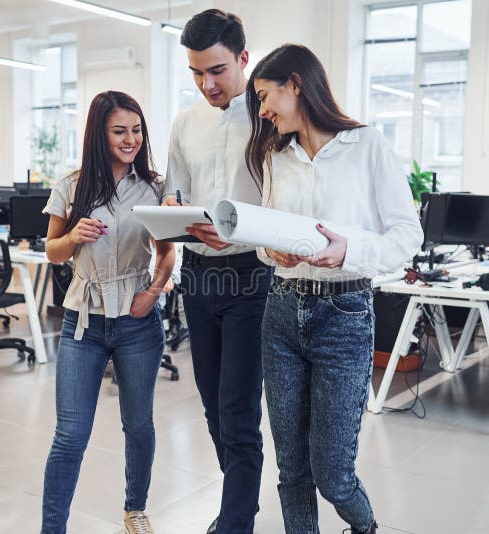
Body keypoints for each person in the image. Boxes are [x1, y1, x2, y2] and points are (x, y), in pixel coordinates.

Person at [245, 44, 424, 534]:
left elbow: (408, 236)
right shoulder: (274, 154)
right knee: (292, 469)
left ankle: (365, 527)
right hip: (282, 310)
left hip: (344, 312)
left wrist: (349, 251)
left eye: (265, 96)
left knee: (333, 474)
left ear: (295, 84)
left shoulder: (367, 145)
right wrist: (272, 251)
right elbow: (267, 239)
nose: (262, 111)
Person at [41, 90, 175, 534]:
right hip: (84, 324)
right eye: (120, 131)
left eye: (136, 130)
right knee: (70, 436)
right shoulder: (71, 186)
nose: (130, 139)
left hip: (139, 323)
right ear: (99, 134)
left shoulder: (156, 187)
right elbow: (52, 253)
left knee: (138, 426)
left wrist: (153, 292)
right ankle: (52, 527)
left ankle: (134, 510)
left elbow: (168, 253)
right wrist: (74, 236)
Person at [162, 9, 272, 534]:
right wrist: (177, 218)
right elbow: (173, 192)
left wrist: (240, 231)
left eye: (218, 71)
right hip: (198, 278)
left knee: (237, 411)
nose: (207, 84)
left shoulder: (271, 117)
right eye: (196, 73)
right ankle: (239, 506)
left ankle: (234, 524)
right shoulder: (185, 122)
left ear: (243, 59)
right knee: (211, 408)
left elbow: (286, 205)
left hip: (253, 277)